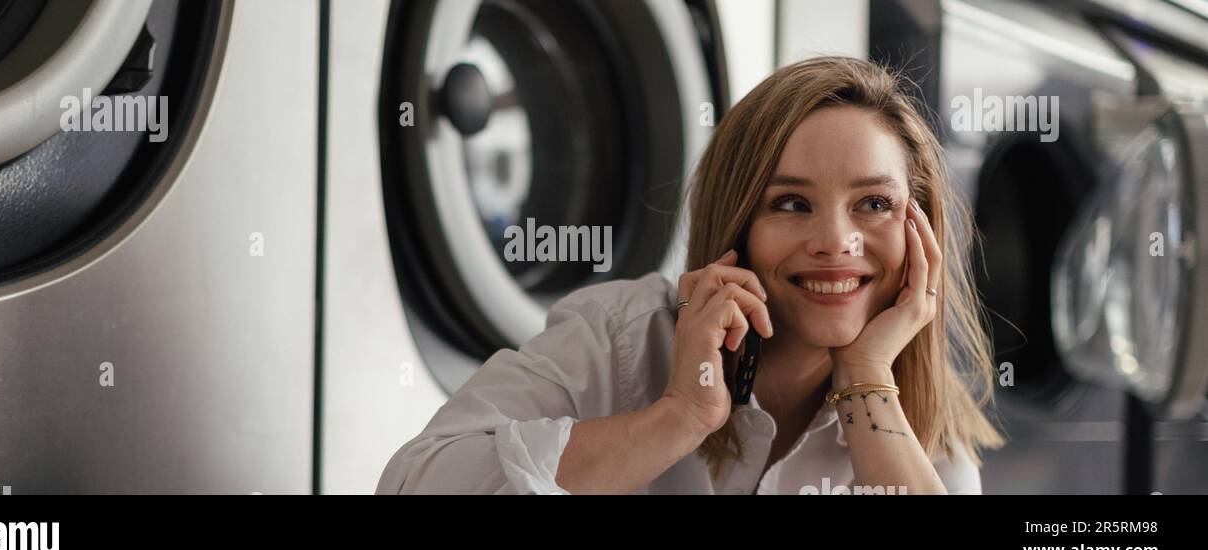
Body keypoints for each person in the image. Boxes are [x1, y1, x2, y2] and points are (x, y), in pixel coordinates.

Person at [377, 56, 1004, 494]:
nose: (836, 243)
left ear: (919, 233)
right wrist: (679, 415)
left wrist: (865, 378)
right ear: (738, 225)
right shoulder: (621, 336)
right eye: (790, 203)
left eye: (874, 204)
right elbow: (416, 483)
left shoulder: (918, 431)